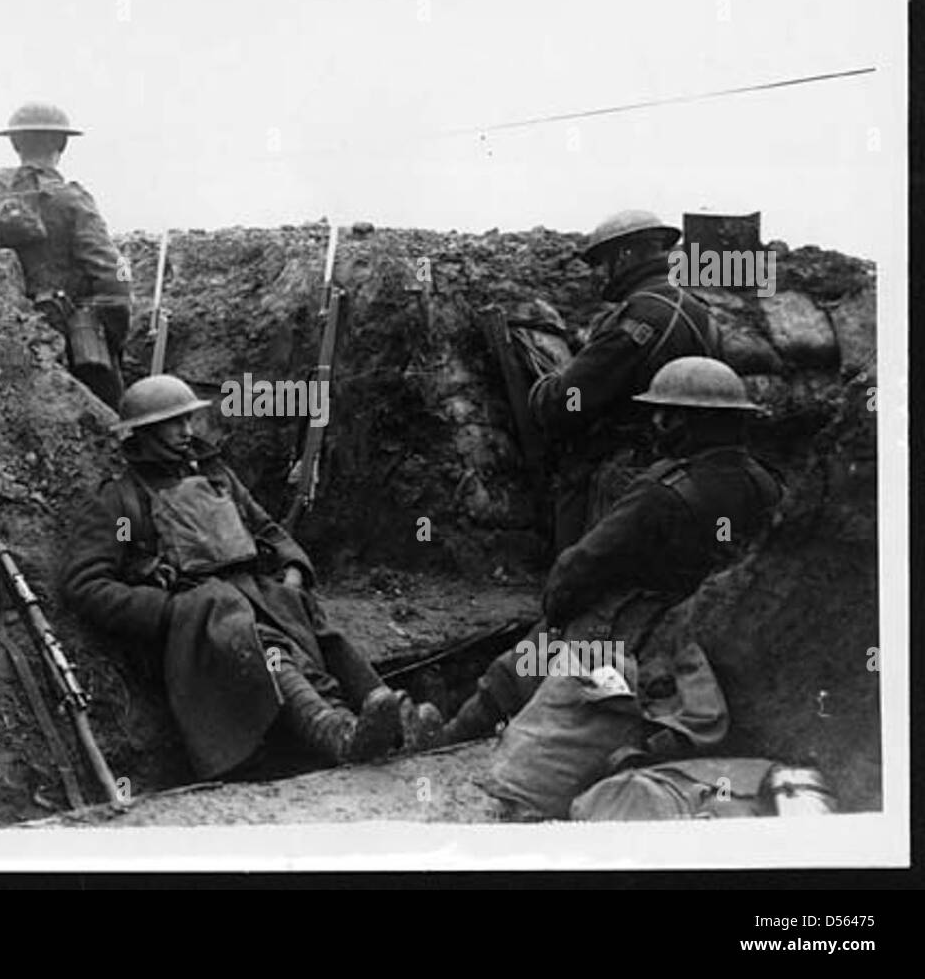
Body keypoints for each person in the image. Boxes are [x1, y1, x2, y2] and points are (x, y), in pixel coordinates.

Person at [59, 375, 443, 779]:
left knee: (311, 628)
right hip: (201, 622)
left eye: (188, 420)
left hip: (256, 597)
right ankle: (339, 735)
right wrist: (171, 611)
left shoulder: (218, 478)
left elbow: (267, 531)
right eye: (173, 423)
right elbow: (87, 584)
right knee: (262, 641)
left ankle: (388, 724)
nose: (186, 432)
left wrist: (293, 568)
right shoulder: (122, 501)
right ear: (144, 432)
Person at [441, 356, 783, 745]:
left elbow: (581, 566)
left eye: (665, 416)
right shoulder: (767, 486)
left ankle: (446, 740)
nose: (656, 426)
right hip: (709, 631)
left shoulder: (662, 491)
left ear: (689, 423)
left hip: (640, 632)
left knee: (521, 663)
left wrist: (558, 611)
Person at [528, 210, 724, 553]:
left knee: (581, 576)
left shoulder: (636, 317)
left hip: (626, 473)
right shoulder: (701, 313)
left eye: (602, 262)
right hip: (690, 473)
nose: (599, 275)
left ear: (625, 256)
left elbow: (567, 403)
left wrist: (544, 391)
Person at [0, 101, 131, 409]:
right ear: (62, 143)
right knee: (112, 411)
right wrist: (118, 335)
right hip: (66, 332)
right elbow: (112, 277)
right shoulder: (72, 199)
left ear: (15, 143)